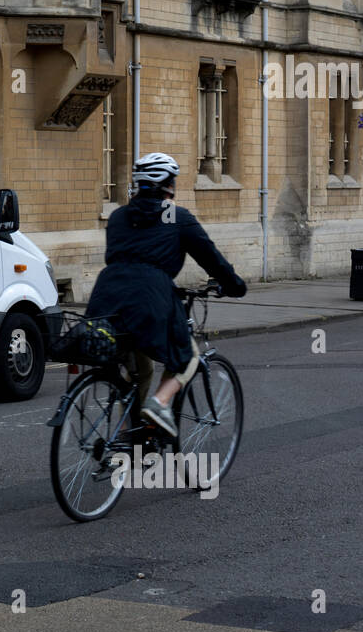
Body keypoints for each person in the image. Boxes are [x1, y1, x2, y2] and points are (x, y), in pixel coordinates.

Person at [85, 152, 247, 437]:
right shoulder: (177, 217)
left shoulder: (119, 216)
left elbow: (116, 254)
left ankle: (128, 438)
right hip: (150, 298)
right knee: (188, 355)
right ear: (168, 184)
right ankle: (160, 403)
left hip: (107, 296)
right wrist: (234, 284)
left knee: (140, 370)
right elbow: (211, 258)